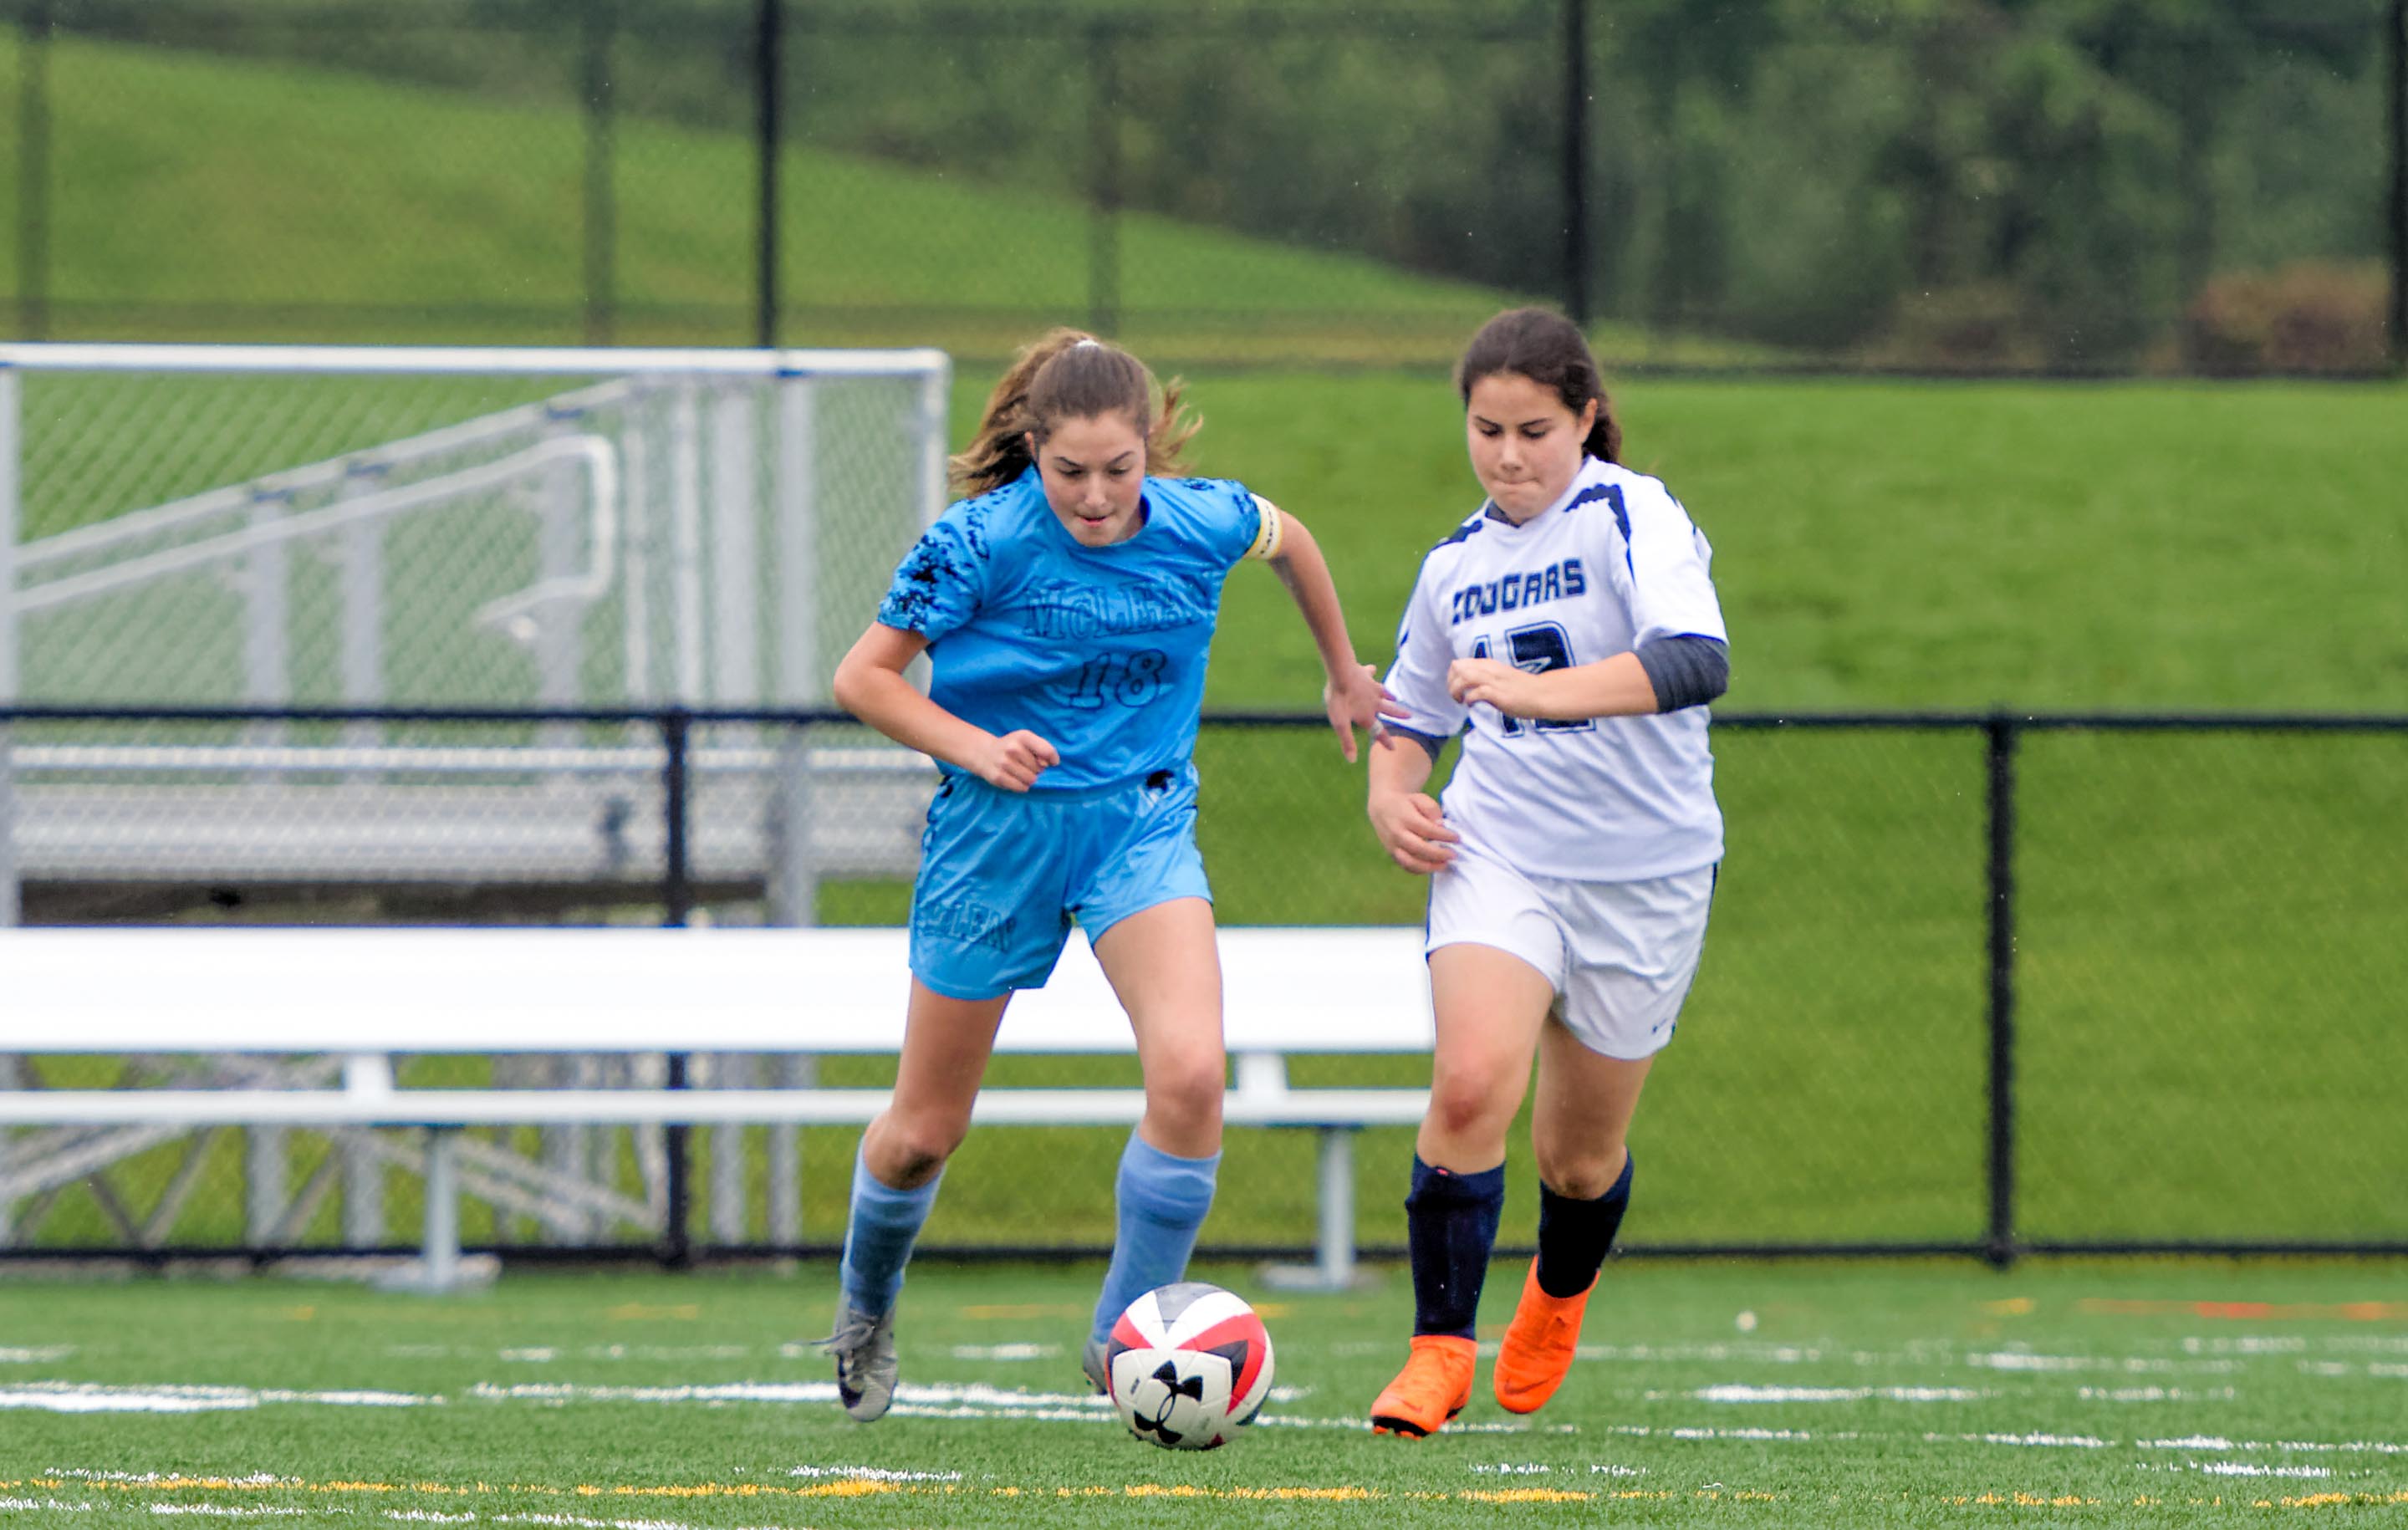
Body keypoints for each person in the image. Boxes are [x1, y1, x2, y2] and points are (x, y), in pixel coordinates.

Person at [817, 328, 1400, 1423]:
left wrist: (1341, 672)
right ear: (1033, 448)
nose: (1093, 495)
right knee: (922, 1130)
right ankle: (864, 1311)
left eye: (1118, 470)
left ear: (1151, 450)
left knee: (1190, 1076)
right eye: (1069, 471)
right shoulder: (977, 543)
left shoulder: (1204, 519)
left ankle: (1121, 1340)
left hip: (1140, 825)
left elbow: (1296, 543)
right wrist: (975, 746)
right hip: (995, 838)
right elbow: (864, 678)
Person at [1362, 308, 1730, 1437]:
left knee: (1578, 1160)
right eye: (1486, 430)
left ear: (1585, 420)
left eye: (1534, 429)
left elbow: (1694, 659)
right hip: (1502, 850)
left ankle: (1558, 1294)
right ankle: (1436, 1351)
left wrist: (1534, 693)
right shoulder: (1452, 564)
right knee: (1470, 1084)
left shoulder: (1631, 509)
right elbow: (1410, 714)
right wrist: (1390, 790)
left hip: (1646, 872)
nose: (1510, 455)